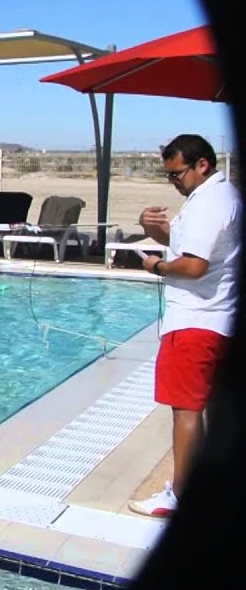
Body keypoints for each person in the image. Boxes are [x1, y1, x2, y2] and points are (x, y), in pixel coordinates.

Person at [129, 134, 240, 518]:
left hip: (196, 322)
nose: (173, 182)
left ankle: (181, 497)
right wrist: (152, 228)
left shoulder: (212, 202)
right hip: (211, 319)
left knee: (185, 411)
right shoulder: (211, 198)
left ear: (201, 165)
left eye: (177, 174)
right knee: (197, 409)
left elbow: (193, 266)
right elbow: (186, 245)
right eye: (168, 176)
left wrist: (155, 266)